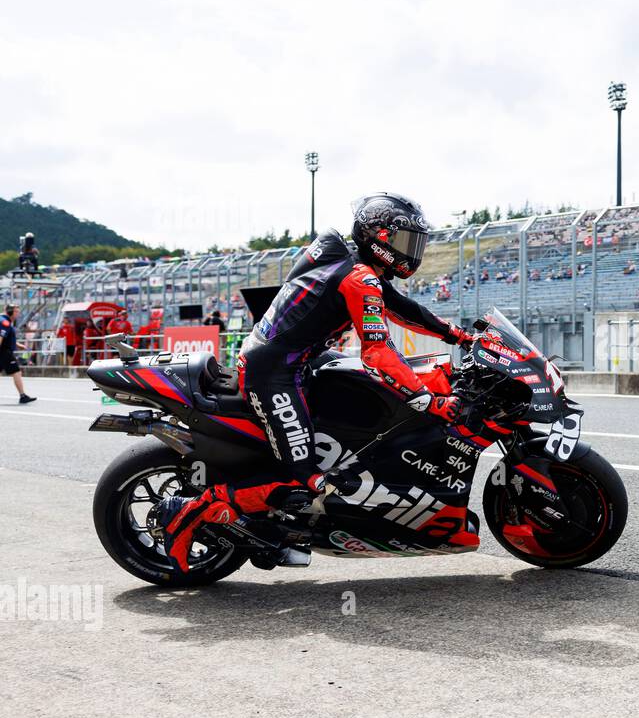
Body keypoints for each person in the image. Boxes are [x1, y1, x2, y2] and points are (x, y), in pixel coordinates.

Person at [153, 193, 474, 572]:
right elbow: (378, 352)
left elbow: (404, 308)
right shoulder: (359, 276)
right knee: (306, 481)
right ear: (378, 237)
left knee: (358, 388)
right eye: (405, 242)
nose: (412, 252)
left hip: (296, 358)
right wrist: (426, 400)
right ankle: (193, 512)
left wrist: (459, 336)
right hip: (273, 373)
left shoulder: (348, 258)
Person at [0, 305, 36, 404]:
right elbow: (1, 337)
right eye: (16, 312)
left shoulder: (2, 320)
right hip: (4, 352)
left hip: (3, 351)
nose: (18, 314)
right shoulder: (5, 322)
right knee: (16, 372)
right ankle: (23, 396)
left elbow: (6, 337)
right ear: (10, 312)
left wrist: (18, 345)